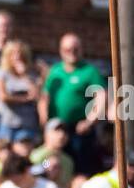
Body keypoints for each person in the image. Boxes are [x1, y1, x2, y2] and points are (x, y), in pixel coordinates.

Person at [40, 34, 106, 175]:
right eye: (67, 49)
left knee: (77, 164)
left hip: (79, 129)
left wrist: (89, 122)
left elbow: (101, 97)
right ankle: (45, 176)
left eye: (75, 49)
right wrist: (44, 121)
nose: (72, 52)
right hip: (56, 127)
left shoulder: (89, 71)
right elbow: (44, 96)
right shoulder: (55, 71)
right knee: (47, 159)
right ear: (61, 51)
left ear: (81, 50)